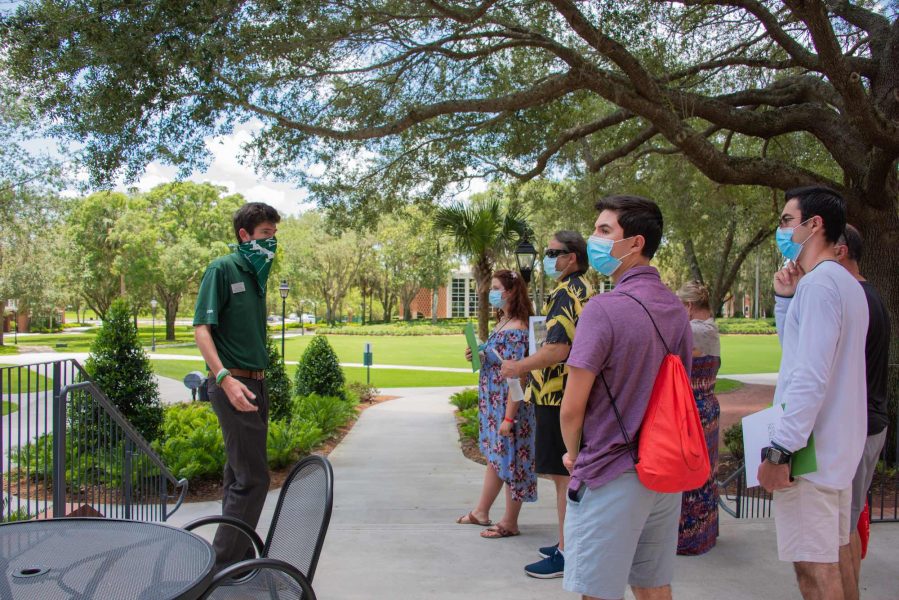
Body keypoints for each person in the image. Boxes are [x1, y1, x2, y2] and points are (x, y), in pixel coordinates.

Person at [560, 195, 692, 600]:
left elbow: (571, 408)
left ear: (635, 243)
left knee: (596, 590)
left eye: (604, 230)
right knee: (652, 585)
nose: (593, 239)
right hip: (662, 469)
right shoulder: (675, 309)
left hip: (610, 472)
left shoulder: (603, 309)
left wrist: (573, 454)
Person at [759, 187, 868, 600]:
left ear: (814, 224)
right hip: (834, 452)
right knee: (832, 560)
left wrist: (780, 451)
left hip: (810, 455)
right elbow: (802, 354)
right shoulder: (844, 284)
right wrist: (785, 301)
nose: (782, 230)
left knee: (813, 571)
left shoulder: (820, 285)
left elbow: (809, 377)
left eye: (787, 221)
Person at [498, 231, 593, 578]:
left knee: (563, 477)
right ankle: (569, 542)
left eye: (553, 253)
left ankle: (567, 554)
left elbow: (557, 349)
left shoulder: (568, 292)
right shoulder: (581, 288)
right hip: (565, 392)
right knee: (563, 474)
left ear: (572, 257)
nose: (548, 259)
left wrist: (518, 367)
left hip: (557, 394)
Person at [193, 202, 281, 571]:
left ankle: (239, 553)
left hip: (256, 384)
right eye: (265, 234)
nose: (271, 242)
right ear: (244, 235)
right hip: (234, 384)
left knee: (237, 475)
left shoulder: (257, 276)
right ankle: (218, 569)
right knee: (254, 479)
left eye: (274, 234)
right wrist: (224, 378)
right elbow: (202, 329)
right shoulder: (222, 268)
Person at [458, 269, 537, 539]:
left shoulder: (518, 329)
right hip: (494, 405)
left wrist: (509, 417)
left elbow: (518, 376)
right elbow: (498, 361)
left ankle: (510, 522)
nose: (491, 293)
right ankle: (481, 511)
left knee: (512, 460)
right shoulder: (503, 322)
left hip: (509, 405)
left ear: (511, 291)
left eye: (495, 288)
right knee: (496, 458)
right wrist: (477, 354)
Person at [834, 224, 891, 592]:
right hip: (869, 424)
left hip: (859, 427)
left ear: (840, 251)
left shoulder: (857, 299)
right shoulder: (870, 297)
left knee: (840, 531)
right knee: (847, 524)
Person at [675, 281, 721, 556]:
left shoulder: (694, 331)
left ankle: (689, 536)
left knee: (690, 471)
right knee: (705, 471)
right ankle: (704, 532)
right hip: (707, 407)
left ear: (689, 306)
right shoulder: (710, 328)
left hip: (692, 410)